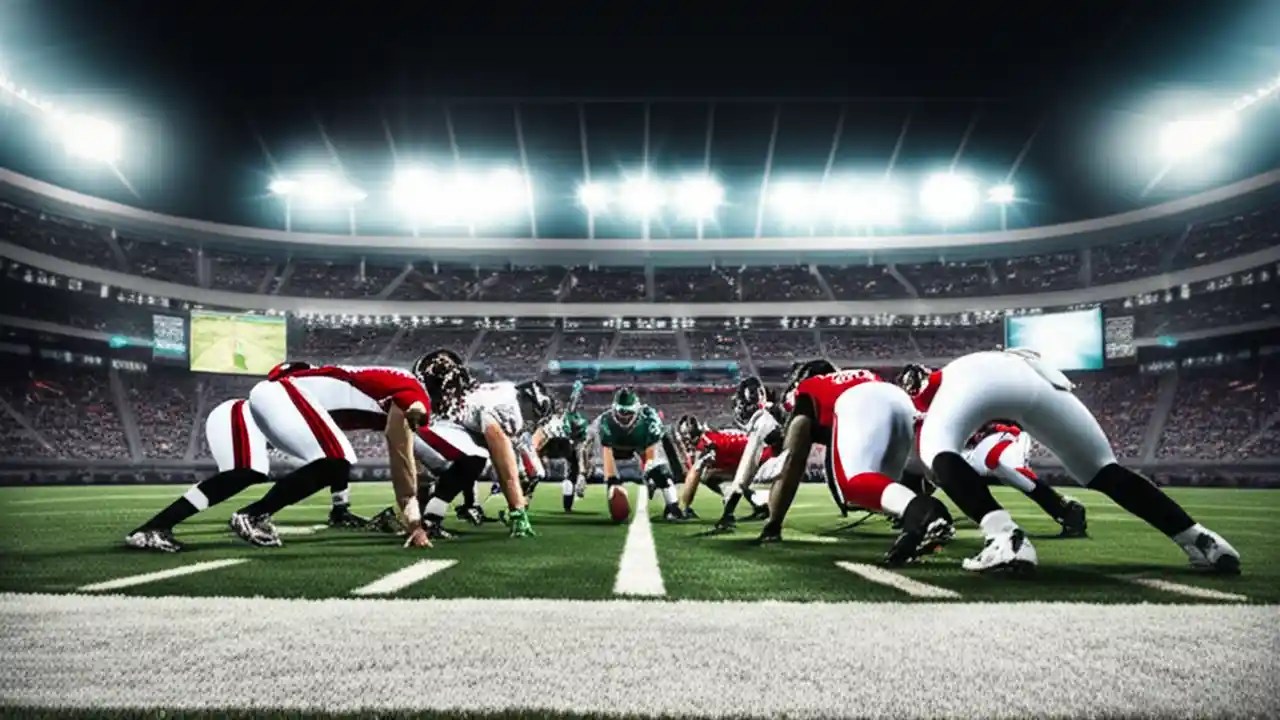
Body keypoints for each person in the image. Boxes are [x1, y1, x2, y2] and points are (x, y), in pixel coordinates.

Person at [900, 349, 1240, 574]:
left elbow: (929, 449)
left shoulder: (933, 387)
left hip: (974, 383)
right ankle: (1199, 539)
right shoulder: (981, 360)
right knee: (1103, 469)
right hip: (1040, 378)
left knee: (938, 454)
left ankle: (1005, 538)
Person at [748, 360, 955, 566]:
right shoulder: (862, 375)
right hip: (900, 400)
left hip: (860, 404)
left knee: (855, 484)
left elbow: (791, 460)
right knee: (890, 479)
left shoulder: (809, 388)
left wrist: (773, 524)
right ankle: (919, 520)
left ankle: (926, 514)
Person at [227, 360, 432, 548]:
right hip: (282, 396)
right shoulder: (414, 393)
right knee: (337, 459)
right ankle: (252, 514)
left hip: (274, 398)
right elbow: (402, 459)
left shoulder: (387, 383)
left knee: (337, 458)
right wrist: (415, 523)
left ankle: (338, 511)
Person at [962, 420, 1086, 537]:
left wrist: (1008, 434)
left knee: (1015, 474)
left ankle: (1066, 510)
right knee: (974, 472)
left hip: (1004, 436)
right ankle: (1065, 510)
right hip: (989, 442)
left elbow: (992, 459)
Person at [595, 387, 681, 521]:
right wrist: (612, 481)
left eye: (628, 411)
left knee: (661, 473)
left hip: (642, 445)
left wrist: (649, 469)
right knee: (614, 489)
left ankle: (673, 508)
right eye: (621, 411)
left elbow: (650, 449)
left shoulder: (649, 418)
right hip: (618, 448)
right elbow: (608, 452)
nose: (624, 416)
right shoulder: (606, 421)